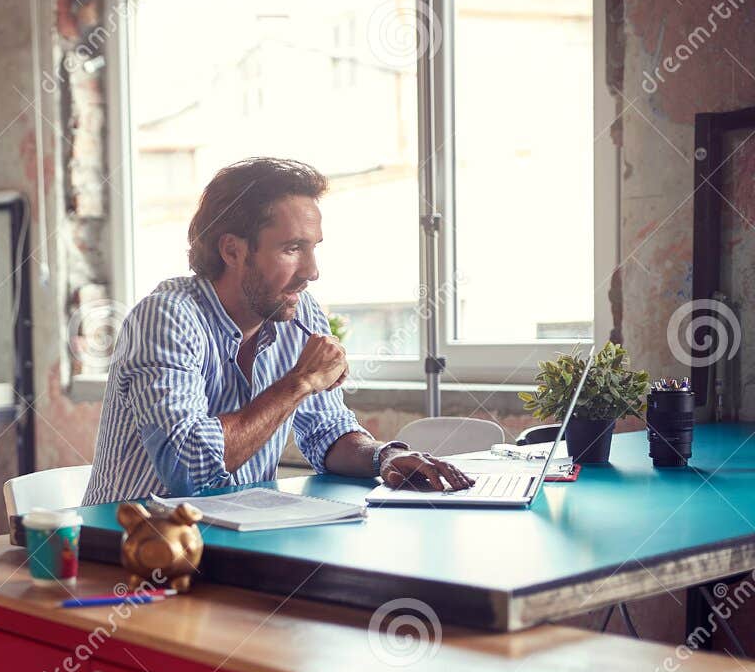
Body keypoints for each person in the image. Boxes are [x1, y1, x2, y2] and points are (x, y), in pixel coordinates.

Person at [83, 157, 472, 506]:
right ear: (232, 251)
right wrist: (300, 382)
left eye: (314, 248)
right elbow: (189, 469)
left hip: (238, 539)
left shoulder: (299, 312)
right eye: (292, 249)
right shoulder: (165, 318)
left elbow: (326, 431)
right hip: (131, 546)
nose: (311, 271)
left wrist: (384, 456)